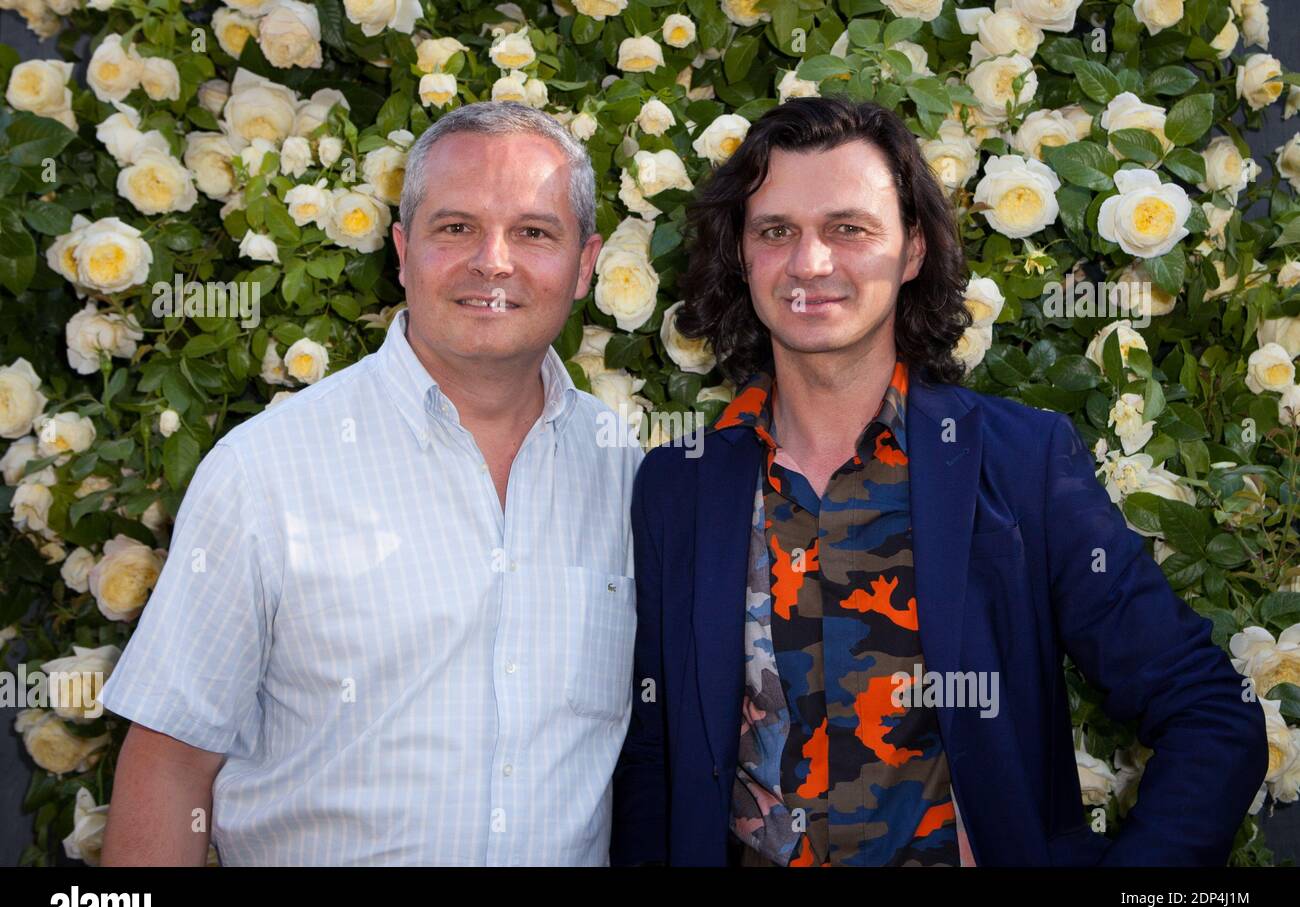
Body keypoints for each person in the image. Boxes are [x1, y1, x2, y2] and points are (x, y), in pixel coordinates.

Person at [611, 96, 1268, 867]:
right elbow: (656, 760)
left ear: (913, 248)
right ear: (742, 255)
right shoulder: (677, 486)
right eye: (775, 231)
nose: (810, 262)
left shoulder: (1018, 463)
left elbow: (1211, 710)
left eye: (849, 228)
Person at [100, 101, 642, 865]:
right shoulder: (265, 471)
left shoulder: (630, 476)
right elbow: (169, 761)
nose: (493, 261)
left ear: (584, 265)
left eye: (533, 232)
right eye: (455, 228)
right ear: (401, 250)